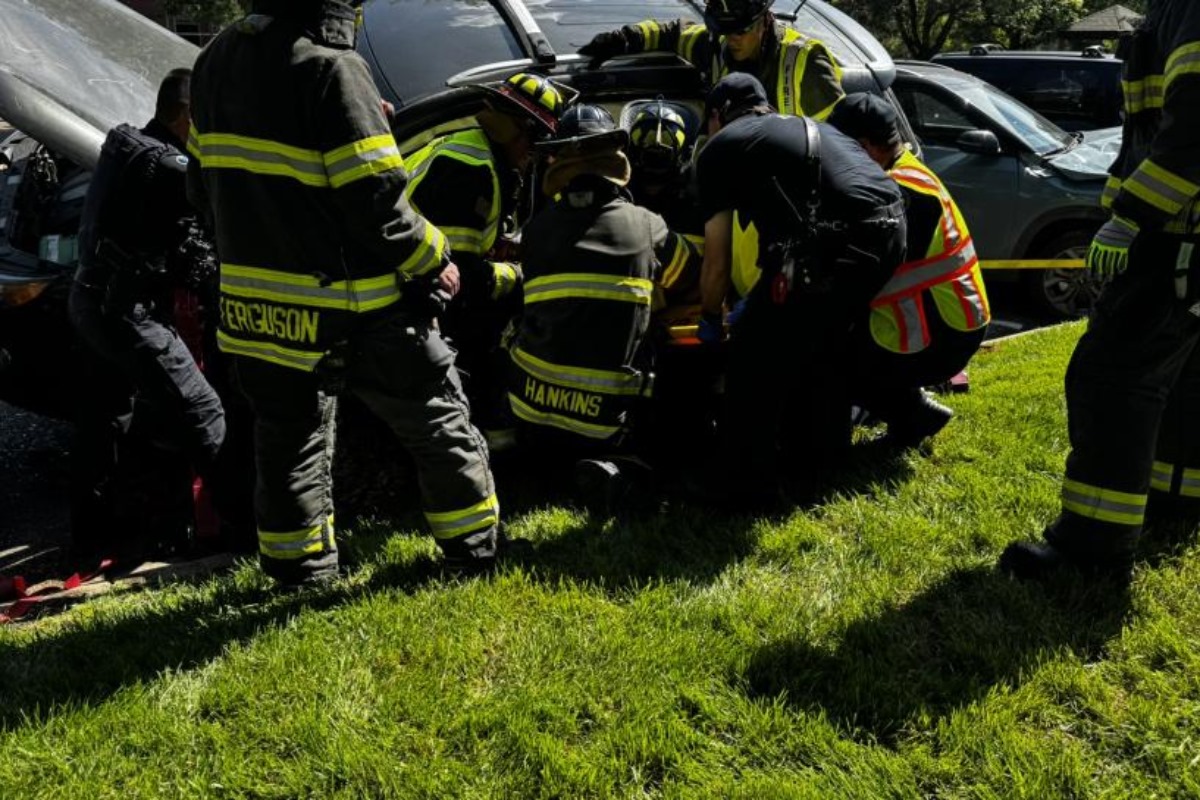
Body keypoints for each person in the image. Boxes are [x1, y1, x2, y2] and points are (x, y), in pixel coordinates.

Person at [187, 0, 504, 586]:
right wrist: (435, 258)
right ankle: (474, 549)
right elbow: (376, 203)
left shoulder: (215, 60)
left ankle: (297, 569)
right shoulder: (334, 69)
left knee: (287, 439)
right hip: (352, 305)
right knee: (436, 418)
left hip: (255, 307)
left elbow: (202, 184)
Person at [1000, 0, 1200, 584]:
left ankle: (1091, 550)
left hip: (1172, 236)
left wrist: (1132, 215)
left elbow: (1193, 126)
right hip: (1190, 239)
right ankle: (1176, 497)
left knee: (1114, 382)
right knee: (1181, 374)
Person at [694, 74, 905, 508]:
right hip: (892, 230)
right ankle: (819, 464)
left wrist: (711, 319)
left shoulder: (720, 148)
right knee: (818, 347)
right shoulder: (803, 128)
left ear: (717, 116)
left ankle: (748, 491)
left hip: (839, 241)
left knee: (753, 361)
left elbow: (716, 260)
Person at [68, 67, 234, 562]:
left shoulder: (126, 143)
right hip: (127, 310)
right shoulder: (169, 168)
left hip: (90, 299)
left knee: (106, 422)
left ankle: (95, 540)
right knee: (204, 412)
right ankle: (243, 533)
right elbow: (217, 209)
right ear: (187, 114)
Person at [508, 103, 695, 509]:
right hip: (605, 418)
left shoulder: (535, 231)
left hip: (531, 409)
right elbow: (689, 278)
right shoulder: (648, 224)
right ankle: (626, 467)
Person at [403, 72, 564, 438]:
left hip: (410, 283)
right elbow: (460, 277)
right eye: (536, 138)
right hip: (412, 300)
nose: (535, 152)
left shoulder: (471, 147)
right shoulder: (471, 168)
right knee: (495, 314)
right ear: (517, 129)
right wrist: (520, 275)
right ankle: (481, 422)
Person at [828, 92, 991, 448]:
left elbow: (867, 269)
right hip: (941, 319)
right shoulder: (901, 171)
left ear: (865, 146)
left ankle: (903, 421)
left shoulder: (905, 192)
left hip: (945, 329)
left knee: (831, 356)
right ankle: (916, 413)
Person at [577, 0, 843, 121]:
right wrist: (624, 38)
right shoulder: (715, 45)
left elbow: (844, 142)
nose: (732, 39)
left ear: (764, 20)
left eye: (741, 30)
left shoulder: (806, 61)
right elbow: (674, 33)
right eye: (725, 31)